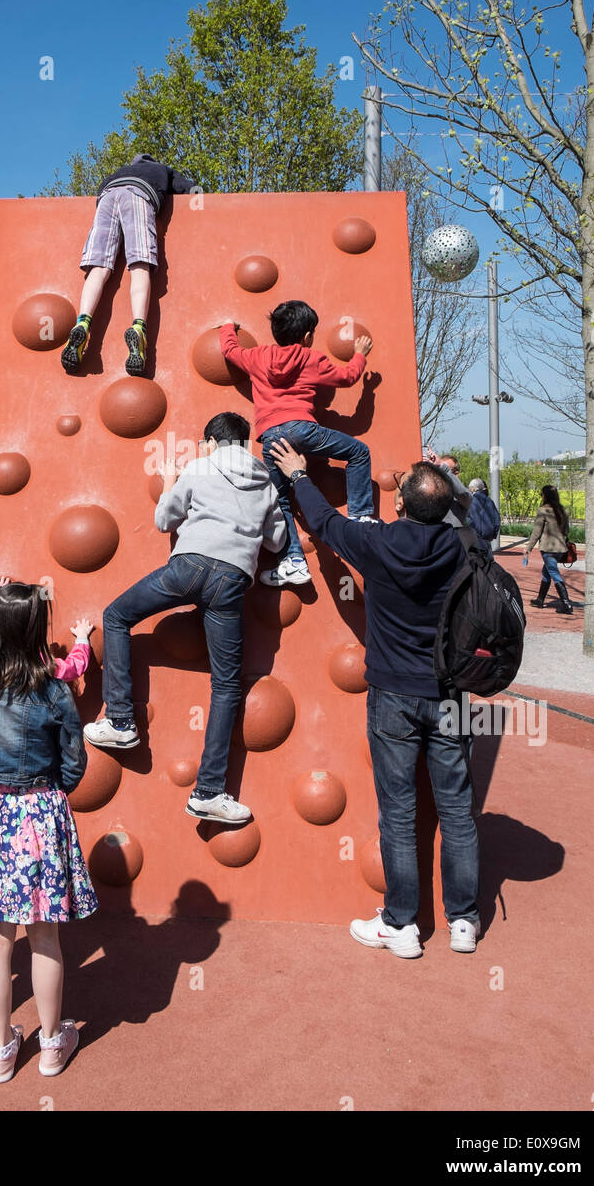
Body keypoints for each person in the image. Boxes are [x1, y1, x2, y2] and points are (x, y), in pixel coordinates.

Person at [270, 440, 480, 958]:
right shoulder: (466, 544)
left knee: (399, 810)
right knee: (457, 810)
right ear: (445, 503)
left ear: (400, 504)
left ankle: (402, 925)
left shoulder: (381, 543)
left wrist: (298, 475)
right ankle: (464, 922)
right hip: (450, 690)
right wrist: (445, 477)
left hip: (393, 696)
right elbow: (479, 508)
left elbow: (324, 522)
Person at [84, 411, 286, 825]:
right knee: (227, 685)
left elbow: (163, 521)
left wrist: (169, 481)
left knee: (117, 616)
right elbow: (278, 539)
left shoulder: (199, 466)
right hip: (232, 579)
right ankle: (209, 792)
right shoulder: (264, 480)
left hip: (188, 567)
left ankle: (122, 721)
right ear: (245, 444)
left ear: (211, 442)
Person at [0, 581, 97, 1082]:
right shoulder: (52, 689)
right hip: (39, 811)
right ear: (36, 629)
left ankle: (1, 1048)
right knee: (45, 937)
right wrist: (50, 793)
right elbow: (74, 762)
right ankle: (53, 1044)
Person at [219, 302, 374, 588]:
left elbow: (230, 351)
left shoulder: (256, 356)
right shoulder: (310, 358)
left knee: (280, 499)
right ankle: (361, 517)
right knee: (358, 452)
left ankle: (293, 561)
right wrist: (359, 356)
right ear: (307, 336)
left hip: (270, 439)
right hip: (302, 429)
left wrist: (229, 326)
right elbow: (348, 377)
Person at [61, 152, 197, 378]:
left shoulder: (120, 171)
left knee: (99, 267)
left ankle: (83, 322)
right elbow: (189, 189)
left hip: (107, 196)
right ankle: (139, 327)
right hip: (139, 194)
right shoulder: (162, 170)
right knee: (140, 265)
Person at [523, 484, 573, 614]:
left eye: (542, 494)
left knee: (554, 574)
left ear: (545, 496)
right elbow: (566, 531)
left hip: (548, 549)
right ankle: (540, 600)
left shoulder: (543, 511)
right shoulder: (563, 510)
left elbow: (536, 532)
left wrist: (528, 548)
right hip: (561, 549)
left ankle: (566, 604)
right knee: (546, 572)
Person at [467, 478, 501, 554]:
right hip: (488, 537)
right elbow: (497, 519)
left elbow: (468, 519)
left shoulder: (470, 501)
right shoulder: (490, 501)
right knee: (488, 560)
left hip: (474, 538)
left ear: (473, 489)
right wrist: (493, 534)